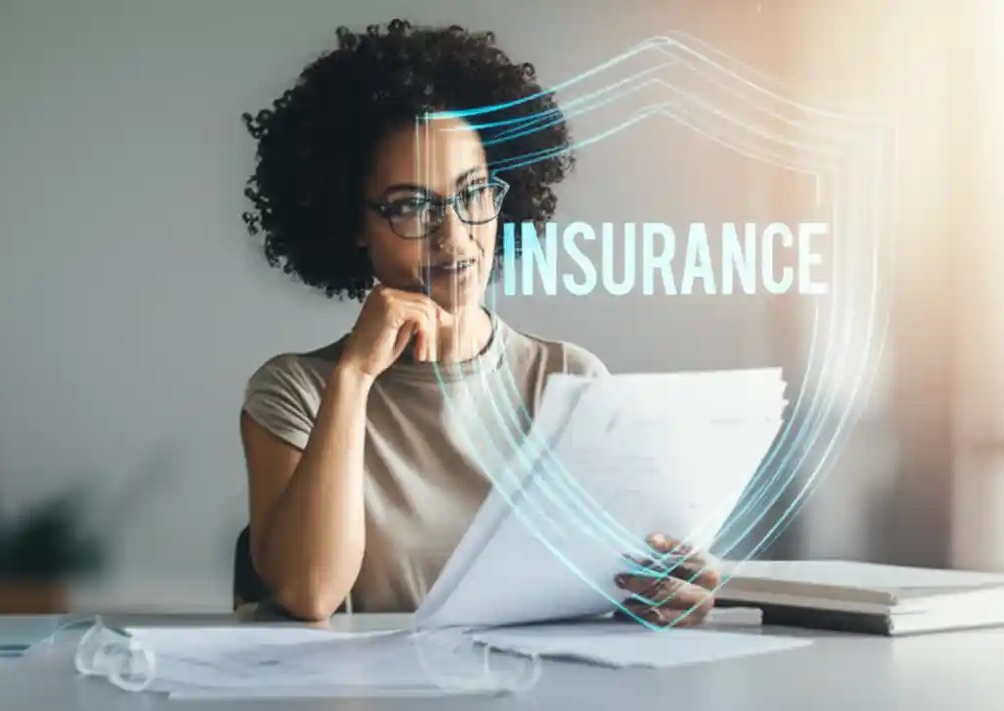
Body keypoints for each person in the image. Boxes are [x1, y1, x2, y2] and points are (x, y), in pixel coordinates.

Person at [238, 19, 719, 625]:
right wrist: (355, 377)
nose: (455, 235)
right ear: (351, 224)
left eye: (473, 194)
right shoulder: (296, 393)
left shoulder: (568, 381)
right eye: (412, 206)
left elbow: (606, 589)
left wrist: (662, 594)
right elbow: (310, 592)